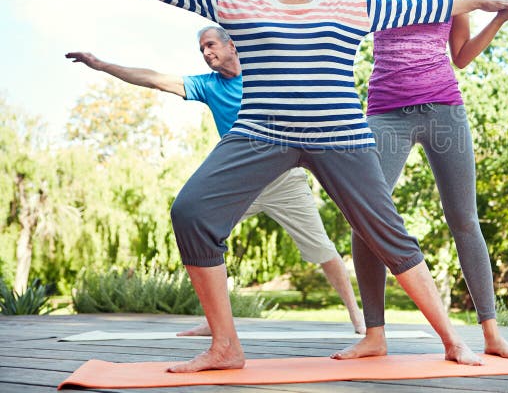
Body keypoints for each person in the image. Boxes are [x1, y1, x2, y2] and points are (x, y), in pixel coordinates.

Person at [33, 0, 508, 373]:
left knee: (386, 230)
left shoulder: (348, 6)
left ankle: (452, 339)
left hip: (339, 136)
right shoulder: (239, 2)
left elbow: (425, 9)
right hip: (261, 133)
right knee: (191, 212)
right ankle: (225, 346)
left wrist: (484, 4)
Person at [334, 0, 508, 361]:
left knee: (465, 220)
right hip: (387, 112)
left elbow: (460, 57)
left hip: (445, 109)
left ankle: (491, 334)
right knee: (366, 219)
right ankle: (375, 335)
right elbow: (317, 3)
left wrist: (499, 19)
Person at [65, 26, 365, 336]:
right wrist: (101, 65)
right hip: (239, 182)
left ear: (231, 45)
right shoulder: (208, 85)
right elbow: (154, 79)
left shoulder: (263, 76)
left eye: (210, 45)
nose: (206, 53)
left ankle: (357, 316)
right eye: (202, 49)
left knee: (321, 249)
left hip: (284, 180)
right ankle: (214, 321)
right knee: (199, 235)